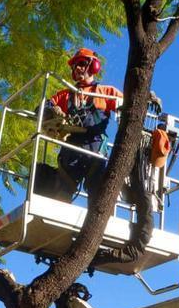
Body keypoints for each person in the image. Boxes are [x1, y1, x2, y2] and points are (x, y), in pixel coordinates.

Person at [43, 48, 124, 198]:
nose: (77, 68)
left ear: (93, 66)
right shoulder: (66, 94)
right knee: (61, 191)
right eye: (75, 65)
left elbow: (130, 104)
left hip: (95, 147)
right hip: (72, 147)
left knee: (98, 193)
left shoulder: (106, 92)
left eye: (81, 63)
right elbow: (43, 107)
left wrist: (147, 98)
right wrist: (52, 110)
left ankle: (97, 220)